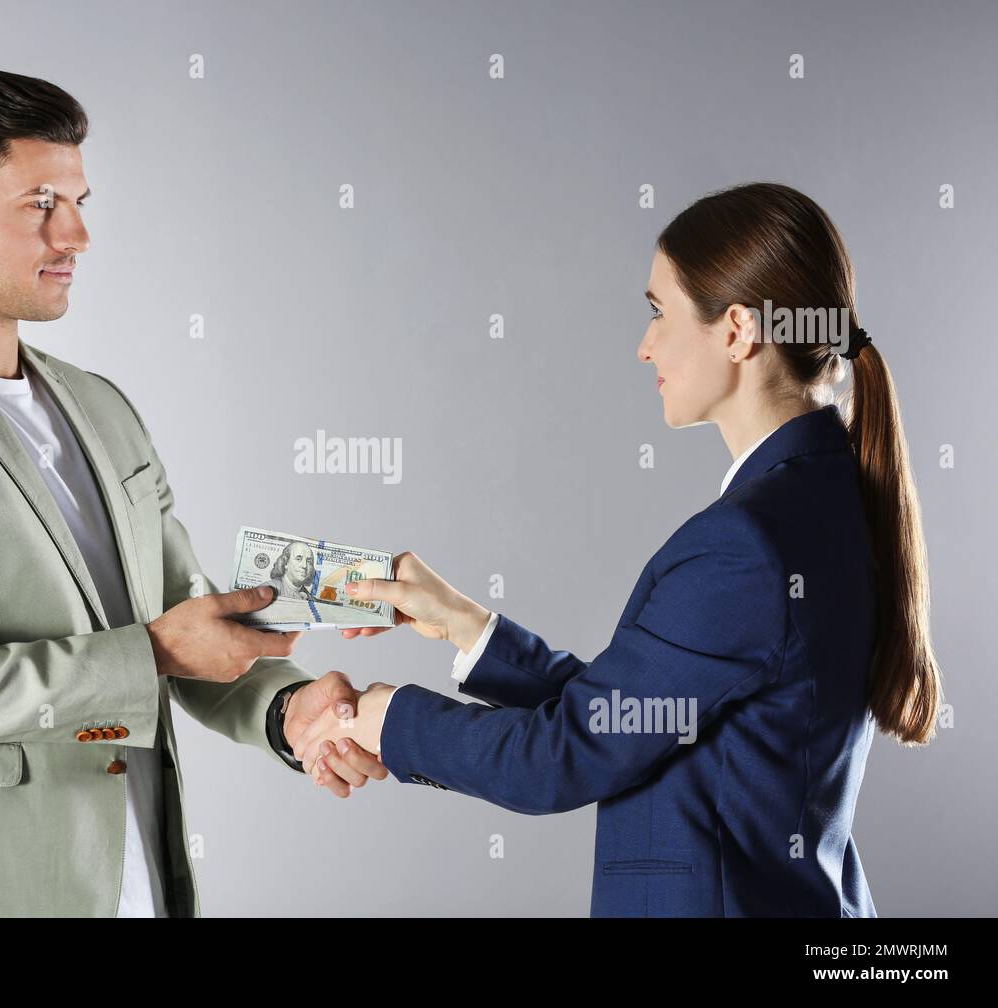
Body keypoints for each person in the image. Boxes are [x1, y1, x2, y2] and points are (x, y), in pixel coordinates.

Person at [0, 68, 383, 919]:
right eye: (42, 205)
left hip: (147, 884)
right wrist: (156, 654)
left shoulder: (101, 404)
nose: (79, 235)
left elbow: (184, 619)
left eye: (80, 200)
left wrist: (290, 709)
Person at [293, 182, 943, 917]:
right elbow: (639, 718)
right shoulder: (824, 504)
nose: (644, 345)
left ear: (736, 331)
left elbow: (564, 757)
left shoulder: (745, 544)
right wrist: (469, 628)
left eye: (659, 312)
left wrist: (388, 718)